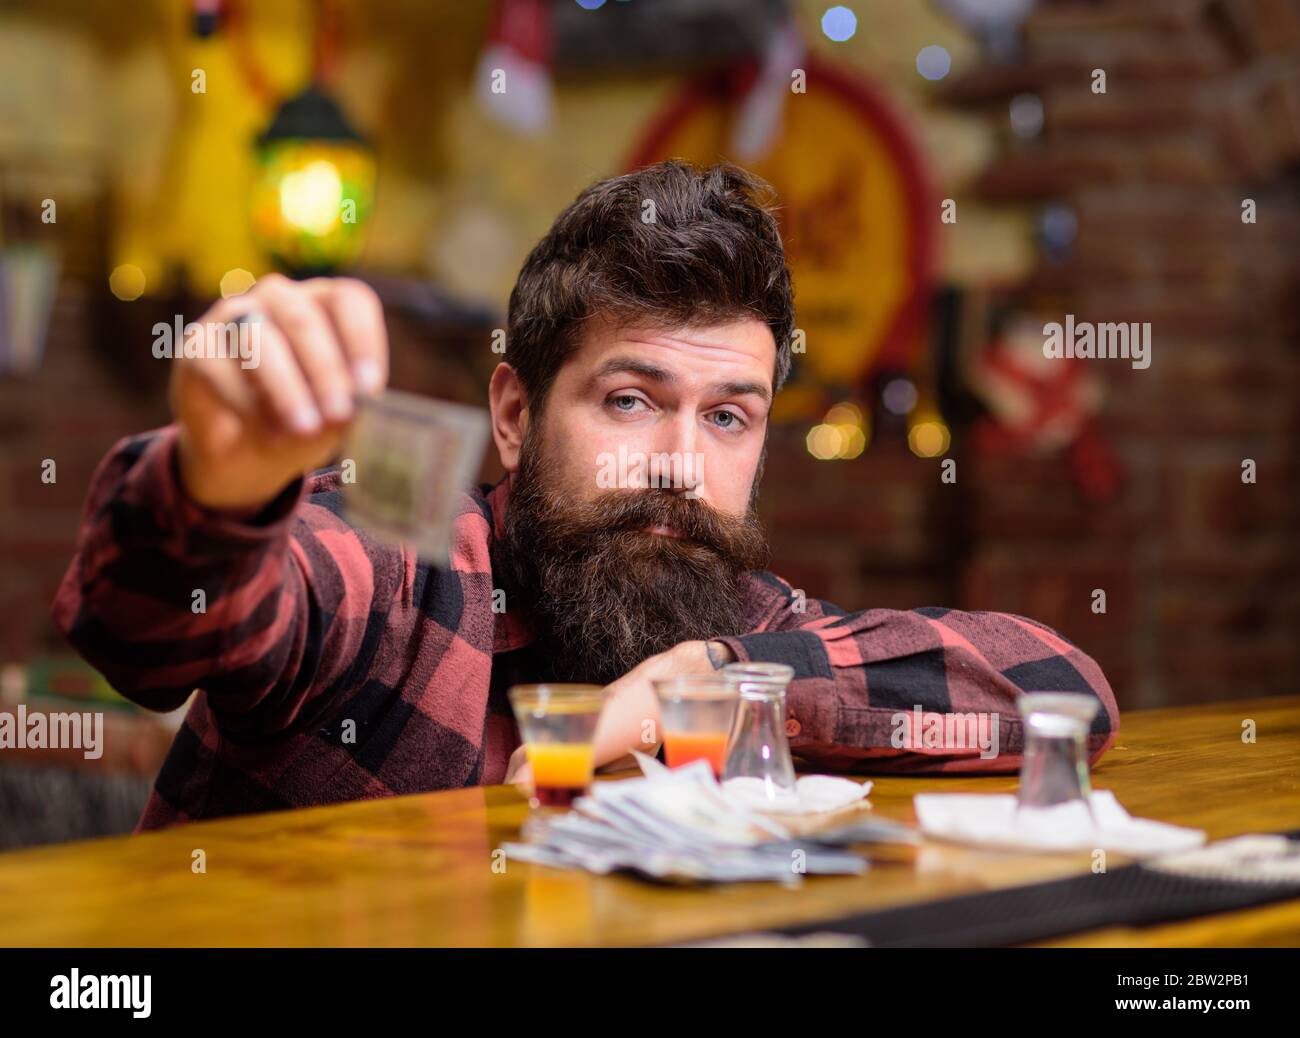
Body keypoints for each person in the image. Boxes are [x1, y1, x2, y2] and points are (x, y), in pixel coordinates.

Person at [54, 161, 1118, 829]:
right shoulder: (407, 572)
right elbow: (148, 633)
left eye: (727, 416)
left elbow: (1056, 688)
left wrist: (713, 683)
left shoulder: (735, 623)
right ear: (512, 417)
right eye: (627, 399)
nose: (675, 464)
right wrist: (222, 486)